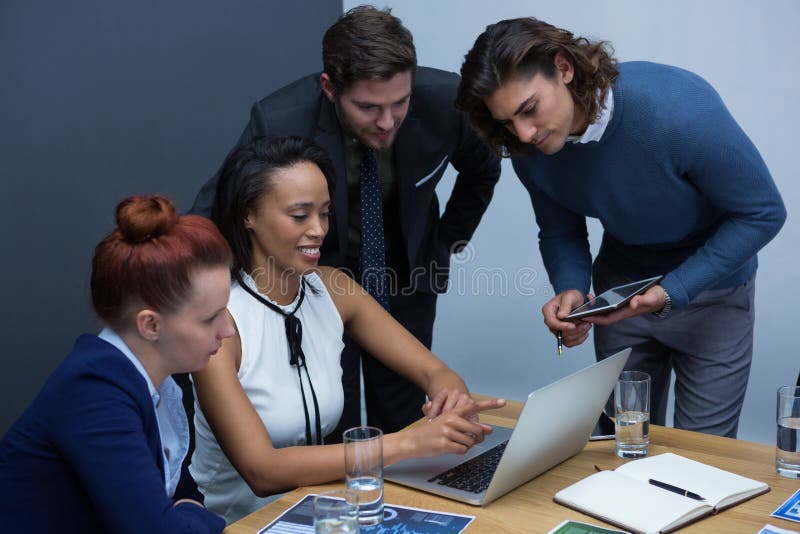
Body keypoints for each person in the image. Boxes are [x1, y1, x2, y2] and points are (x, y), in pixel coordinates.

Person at [455, 18, 786, 438]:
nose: (523, 133)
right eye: (506, 122)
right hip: (622, 295)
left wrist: (675, 289)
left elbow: (762, 213)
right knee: (622, 444)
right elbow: (560, 230)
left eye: (529, 109)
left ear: (564, 68)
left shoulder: (680, 109)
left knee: (704, 459)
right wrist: (572, 288)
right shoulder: (527, 147)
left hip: (713, 294)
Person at [189, 5, 501, 436]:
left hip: (405, 277)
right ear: (330, 89)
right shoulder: (280, 120)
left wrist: (443, 246)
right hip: (319, 281)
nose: (388, 122)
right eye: (369, 108)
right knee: (334, 414)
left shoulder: (449, 102)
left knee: (408, 413)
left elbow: (483, 169)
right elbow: (215, 210)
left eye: (400, 102)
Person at [189, 136, 504, 524]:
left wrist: (450, 404)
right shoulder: (218, 322)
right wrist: (408, 443)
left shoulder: (334, 288)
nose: (319, 229)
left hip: (322, 512)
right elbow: (263, 471)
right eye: (300, 215)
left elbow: (434, 372)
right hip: (238, 523)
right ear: (247, 215)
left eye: (325, 213)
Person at [0, 196, 230, 532]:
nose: (226, 330)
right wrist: (189, 515)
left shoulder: (150, 382)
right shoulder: (94, 392)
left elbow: (184, 494)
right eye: (211, 318)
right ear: (150, 325)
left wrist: (183, 512)